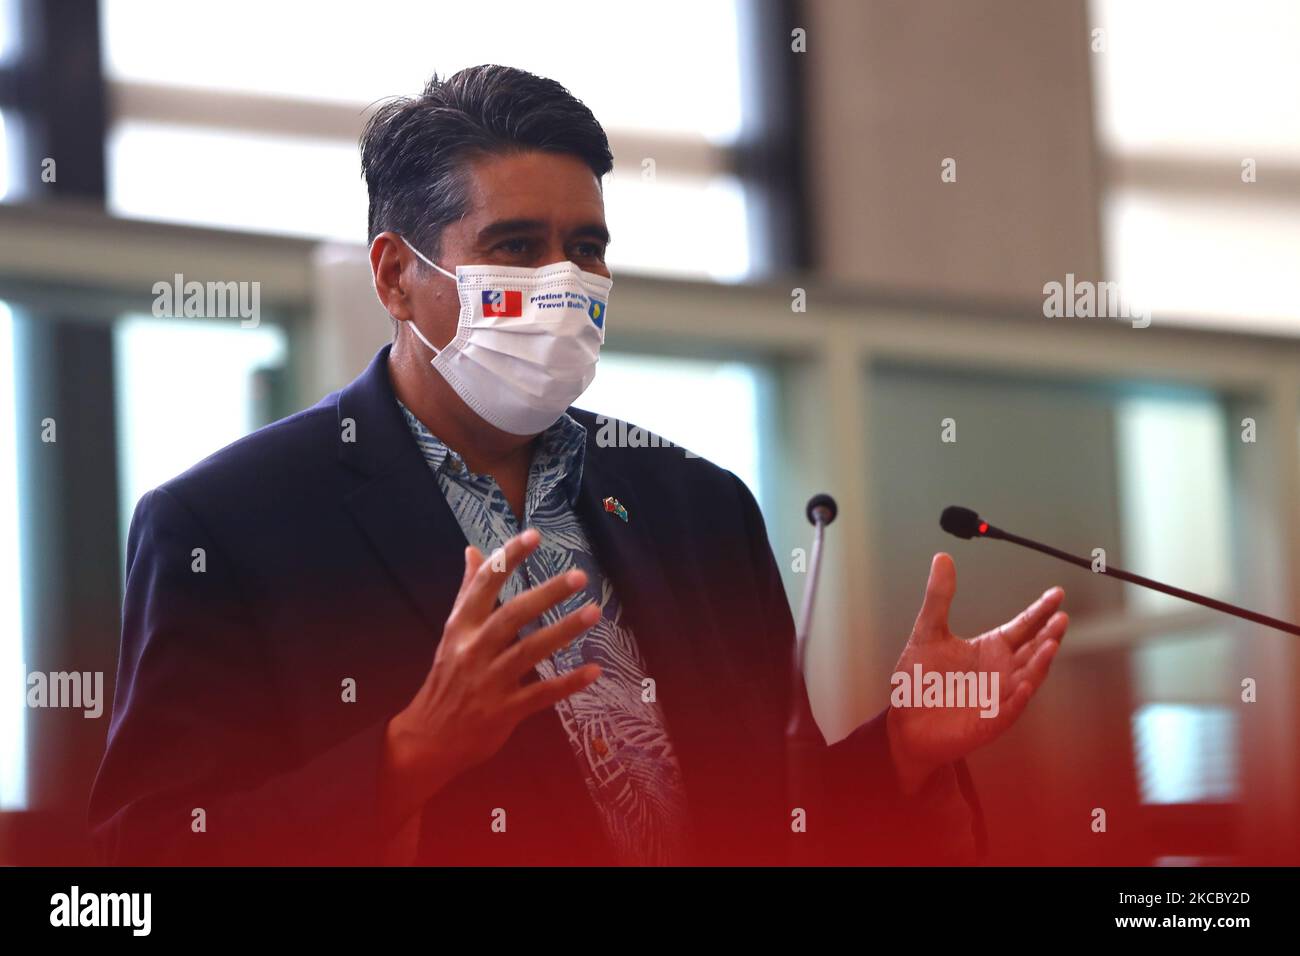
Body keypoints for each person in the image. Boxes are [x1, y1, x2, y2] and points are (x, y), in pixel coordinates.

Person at [89, 65, 1068, 866]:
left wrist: (900, 748)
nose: (564, 283)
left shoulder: (697, 507)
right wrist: (402, 756)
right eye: (515, 246)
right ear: (396, 273)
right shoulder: (227, 525)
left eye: (585, 248)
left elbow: (773, 815)